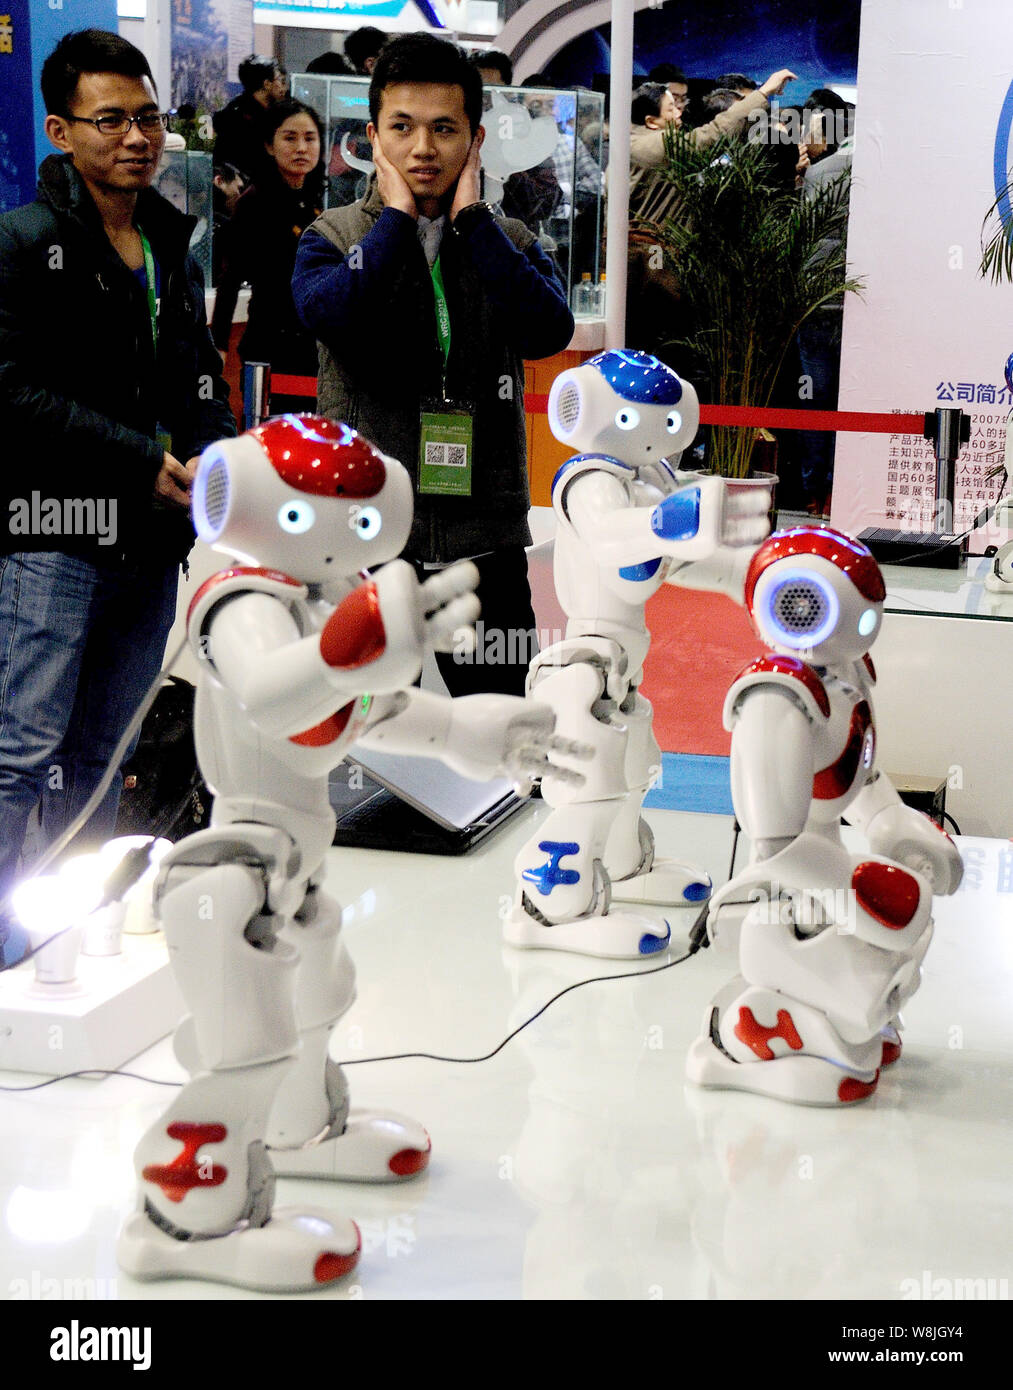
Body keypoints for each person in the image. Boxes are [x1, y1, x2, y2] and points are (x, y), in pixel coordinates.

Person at [0, 28, 234, 953]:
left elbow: (197, 372)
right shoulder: (22, 244)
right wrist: (138, 456)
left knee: (102, 757)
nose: (137, 136)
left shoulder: (168, 241)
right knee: (21, 751)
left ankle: (60, 930)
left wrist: (218, 458)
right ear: (61, 130)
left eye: (149, 118)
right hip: (53, 536)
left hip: (154, 539)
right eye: (112, 120)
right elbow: (12, 392)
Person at [293, 33, 574, 699]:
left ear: (474, 140)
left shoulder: (505, 240)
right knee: (370, 745)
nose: (423, 149)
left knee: (505, 745)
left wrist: (474, 218)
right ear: (373, 136)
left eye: (445, 129)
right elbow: (331, 316)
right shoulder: (333, 237)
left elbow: (546, 332)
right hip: (366, 546)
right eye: (403, 128)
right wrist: (393, 220)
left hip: (485, 544)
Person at [212, 98, 325, 413]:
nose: (301, 147)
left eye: (310, 138)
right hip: (269, 345)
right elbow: (230, 278)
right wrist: (219, 344)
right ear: (269, 145)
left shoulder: (316, 204)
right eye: (290, 138)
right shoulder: (254, 203)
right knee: (269, 439)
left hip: (312, 348)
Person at [212, 54, 287, 186]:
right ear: (267, 84)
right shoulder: (235, 119)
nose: (284, 87)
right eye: (280, 80)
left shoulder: (275, 113)